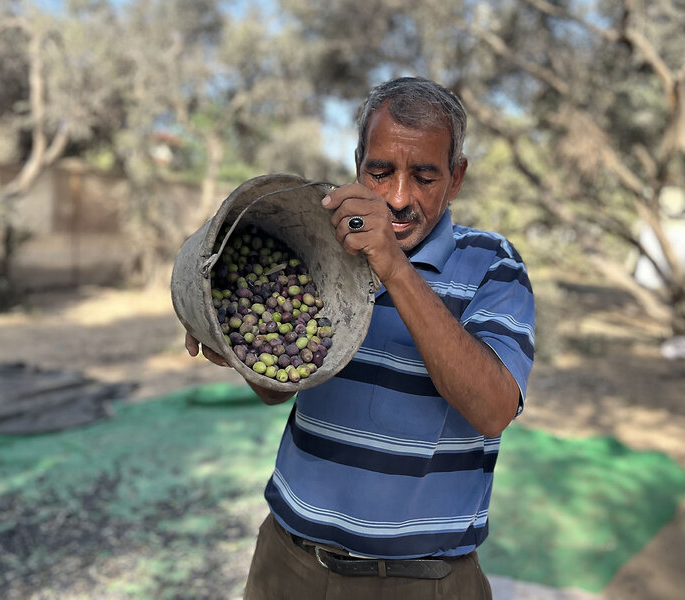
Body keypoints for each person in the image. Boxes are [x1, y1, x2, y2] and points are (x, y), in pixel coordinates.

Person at [185, 77, 535, 599]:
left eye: (423, 176)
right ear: (357, 164)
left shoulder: (492, 265)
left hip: (422, 582)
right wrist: (233, 346)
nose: (398, 197)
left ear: (456, 178)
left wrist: (393, 267)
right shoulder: (321, 246)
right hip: (291, 564)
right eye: (380, 172)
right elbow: (280, 386)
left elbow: (493, 408)